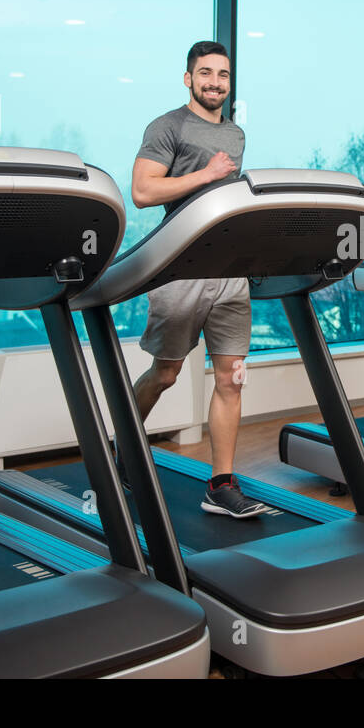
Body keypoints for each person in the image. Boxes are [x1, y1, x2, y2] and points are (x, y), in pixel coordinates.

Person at [129, 40, 265, 518]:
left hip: (229, 270)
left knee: (232, 377)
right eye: (205, 73)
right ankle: (124, 442)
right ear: (188, 78)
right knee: (166, 372)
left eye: (223, 75)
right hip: (180, 266)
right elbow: (143, 191)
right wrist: (206, 175)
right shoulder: (166, 126)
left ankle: (221, 484)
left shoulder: (236, 134)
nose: (215, 82)